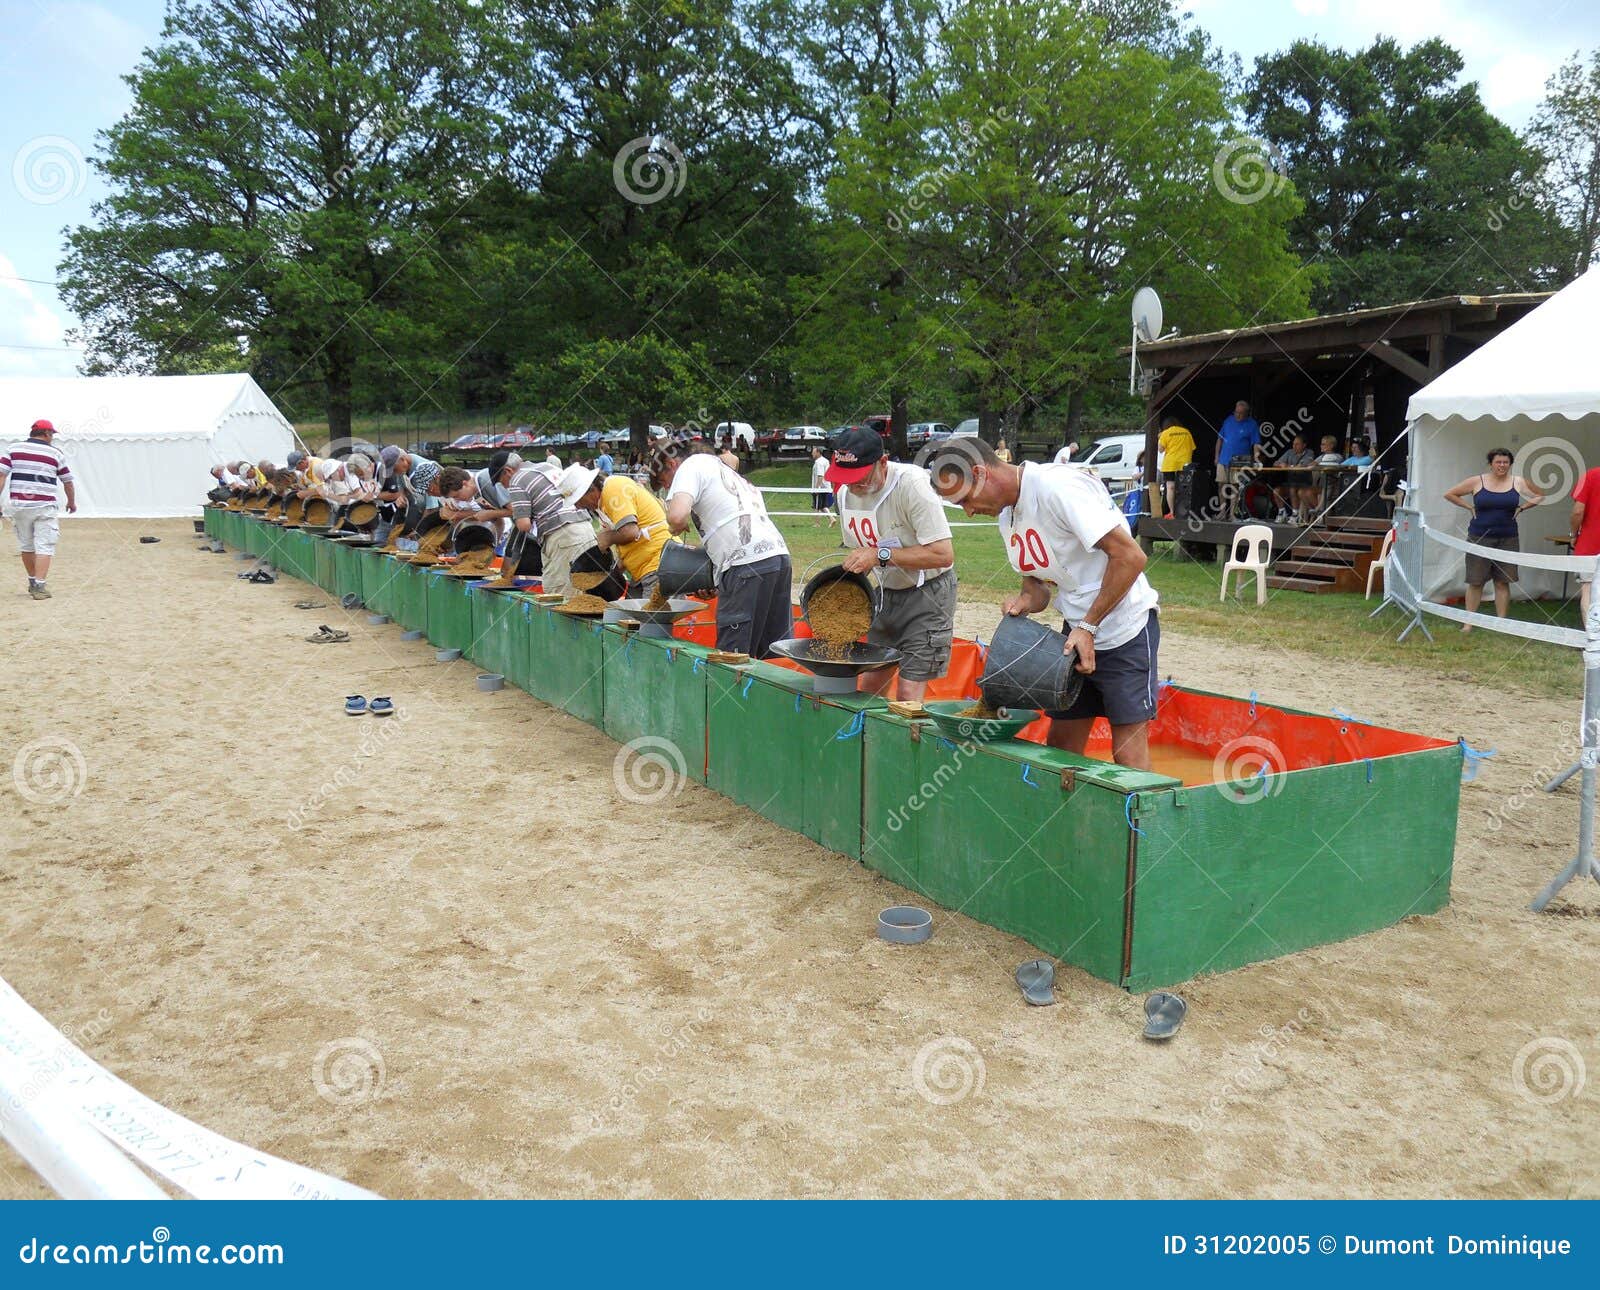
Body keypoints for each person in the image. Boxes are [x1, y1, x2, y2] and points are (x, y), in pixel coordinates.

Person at [927, 438, 1159, 771]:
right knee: (1061, 748)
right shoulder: (1008, 518)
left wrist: (1088, 626)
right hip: (1075, 635)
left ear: (980, 473)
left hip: (1126, 629)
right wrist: (1025, 601)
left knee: (1128, 757)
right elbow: (1038, 588)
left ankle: (1141, 824)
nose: (968, 511)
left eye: (965, 499)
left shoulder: (1058, 488)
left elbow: (1130, 556)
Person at [828, 427, 955, 701]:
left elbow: (942, 554)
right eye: (845, 480)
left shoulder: (913, 485)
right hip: (885, 594)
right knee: (869, 685)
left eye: (859, 478)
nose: (853, 487)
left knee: (908, 694)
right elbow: (863, 549)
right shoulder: (845, 495)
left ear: (882, 463)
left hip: (928, 596)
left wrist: (879, 556)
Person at [653, 441, 792, 656]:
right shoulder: (724, 471)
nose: (668, 489)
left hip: (745, 564)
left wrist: (675, 526)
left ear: (671, 464)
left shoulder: (689, 466)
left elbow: (677, 516)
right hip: (778, 557)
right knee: (774, 653)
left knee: (731, 656)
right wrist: (719, 579)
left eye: (665, 482)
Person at [1444, 447, 1544, 630]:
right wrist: (1469, 507)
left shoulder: (1518, 482)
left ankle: (1501, 623)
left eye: (1506, 462)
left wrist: (1522, 508)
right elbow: (1450, 494)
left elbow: (1539, 495)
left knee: (1502, 581)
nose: (1502, 465)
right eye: (1498, 462)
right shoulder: (1477, 481)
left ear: (1510, 464)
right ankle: (1468, 623)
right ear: (1491, 464)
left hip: (1508, 538)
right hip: (1479, 537)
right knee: (1476, 581)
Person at [559, 463, 675, 598]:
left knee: (650, 617)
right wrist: (609, 574)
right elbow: (626, 542)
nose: (578, 507)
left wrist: (606, 538)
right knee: (629, 615)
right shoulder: (603, 505)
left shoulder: (613, 489)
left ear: (590, 490)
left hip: (659, 567)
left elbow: (630, 532)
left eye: (578, 500)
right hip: (644, 569)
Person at [491, 449, 597, 596]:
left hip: (562, 538)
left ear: (508, 471)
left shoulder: (517, 479)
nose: (506, 488)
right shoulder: (547, 467)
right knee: (586, 592)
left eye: (503, 484)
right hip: (586, 529)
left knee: (559, 594)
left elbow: (524, 525)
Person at [0, 418, 77, 601]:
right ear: (47, 433)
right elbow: (67, 482)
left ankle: (32, 581)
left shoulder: (13, 449)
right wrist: (71, 502)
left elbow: (1, 475)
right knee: (45, 546)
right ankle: (40, 586)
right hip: (44, 506)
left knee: (26, 546)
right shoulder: (55, 453)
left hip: (19, 505)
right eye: (52, 435)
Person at [1215, 400, 1261, 517]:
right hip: (1223, 459)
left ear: (1246, 414)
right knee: (1221, 485)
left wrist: (1256, 457)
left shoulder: (1252, 424)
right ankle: (1222, 511)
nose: (1237, 415)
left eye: (1240, 413)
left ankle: (1232, 513)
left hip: (1239, 461)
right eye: (1236, 412)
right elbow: (1220, 439)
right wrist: (1216, 456)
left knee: (1235, 486)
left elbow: (1256, 443)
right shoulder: (1228, 420)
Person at [1572, 466, 1600, 620]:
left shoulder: (1591, 475)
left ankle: (1592, 637)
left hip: (1589, 544)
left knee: (1587, 591)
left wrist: (1574, 534)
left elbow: (1577, 511)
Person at [1156, 415, 1195, 518]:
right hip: (1185, 463)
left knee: (1170, 487)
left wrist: (1160, 438)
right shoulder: (1186, 432)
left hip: (1170, 464)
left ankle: (1172, 512)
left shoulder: (1166, 433)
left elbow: (1160, 449)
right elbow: (1192, 448)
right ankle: (1184, 512)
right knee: (1185, 488)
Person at [1275, 434, 1317, 523]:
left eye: (1297, 444)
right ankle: (1282, 513)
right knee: (1276, 491)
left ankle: (1295, 514)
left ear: (1304, 445)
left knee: (1292, 488)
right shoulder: (1289, 452)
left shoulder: (1309, 452)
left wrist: (1288, 466)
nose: (1294, 446)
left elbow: (1303, 465)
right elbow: (1276, 463)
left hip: (1305, 483)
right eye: (1293, 444)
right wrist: (1280, 464)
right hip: (1290, 482)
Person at [810, 446, 835, 525]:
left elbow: (820, 476)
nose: (812, 454)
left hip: (820, 487)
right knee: (822, 505)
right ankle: (831, 519)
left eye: (813, 452)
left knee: (817, 506)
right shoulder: (825, 461)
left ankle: (817, 523)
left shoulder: (819, 463)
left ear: (818, 453)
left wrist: (817, 488)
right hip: (826, 487)